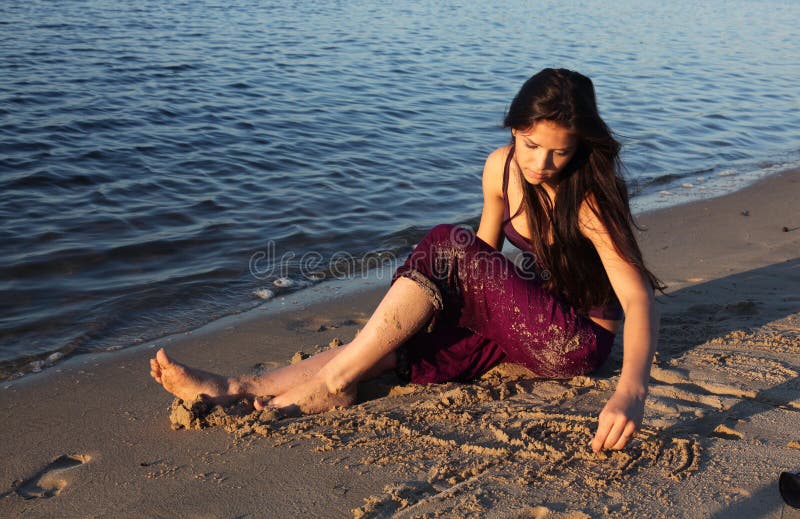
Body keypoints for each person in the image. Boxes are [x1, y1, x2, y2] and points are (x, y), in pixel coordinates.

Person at [150, 68, 663, 453]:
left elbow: (637, 300)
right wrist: (433, 310)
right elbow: (481, 262)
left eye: (559, 152)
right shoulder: (500, 170)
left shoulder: (590, 199)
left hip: (572, 342)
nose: (540, 163)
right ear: (514, 129)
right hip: (522, 320)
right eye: (531, 145)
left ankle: (333, 382)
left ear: (579, 148)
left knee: (444, 240)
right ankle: (241, 387)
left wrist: (630, 393)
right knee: (407, 331)